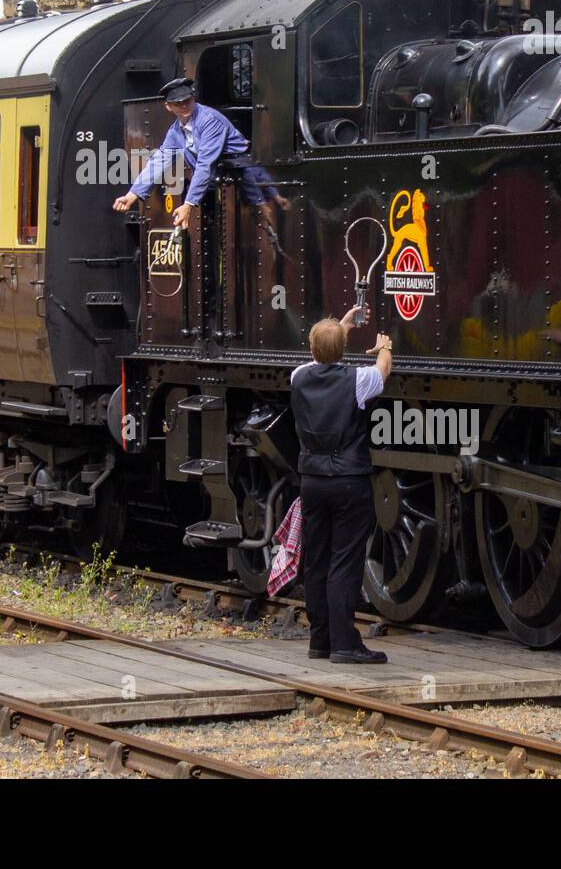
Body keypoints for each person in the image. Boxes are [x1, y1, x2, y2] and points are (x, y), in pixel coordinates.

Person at [291, 305, 393, 665]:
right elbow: (382, 372)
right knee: (345, 562)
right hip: (349, 482)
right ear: (342, 351)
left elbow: (322, 353)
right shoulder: (358, 380)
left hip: (313, 482)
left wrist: (341, 328)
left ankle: (320, 641)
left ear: (311, 349)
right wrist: (385, 346)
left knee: (316, 561)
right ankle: (345, 644)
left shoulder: (299, 376)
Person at [111, 77, 289, 227]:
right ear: (168, 106)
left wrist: (188, 204)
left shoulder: (209, 121)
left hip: (244, 180)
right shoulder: (176, 131)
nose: (184, 106)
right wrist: (132, 195)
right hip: (219, 184)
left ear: (193, 98)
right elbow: (159, 161)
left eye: (187, 101)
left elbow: (205, 164)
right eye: (178, 103)